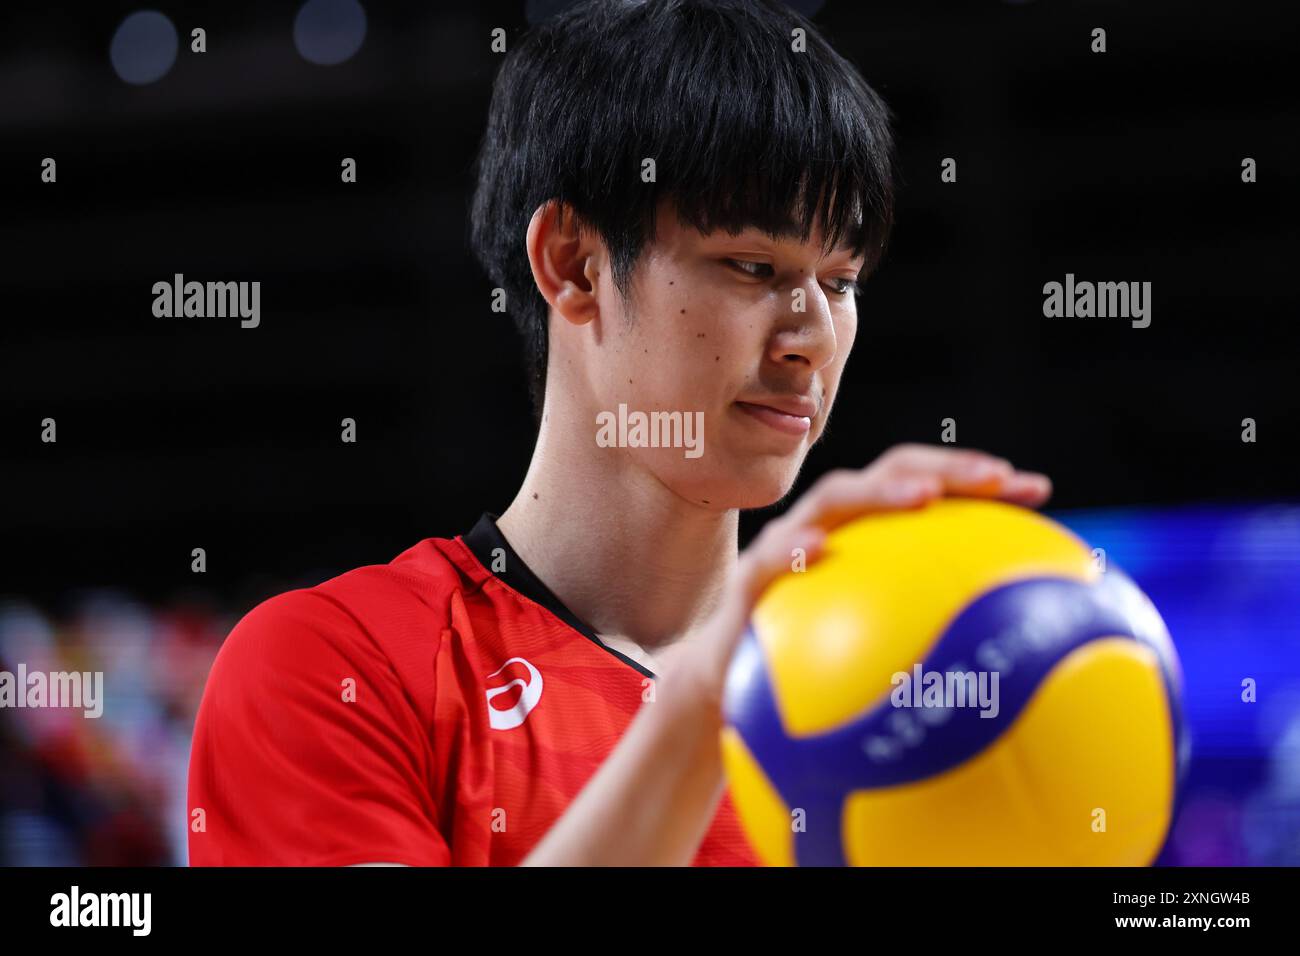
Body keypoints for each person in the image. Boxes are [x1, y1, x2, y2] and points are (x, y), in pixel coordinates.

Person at [187, 0, 1050, 866]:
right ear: (574, 265)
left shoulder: (903, 699)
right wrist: (703, 703)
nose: (814, 336)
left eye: (842, 280)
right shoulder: (335, 667)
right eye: (755, 266)